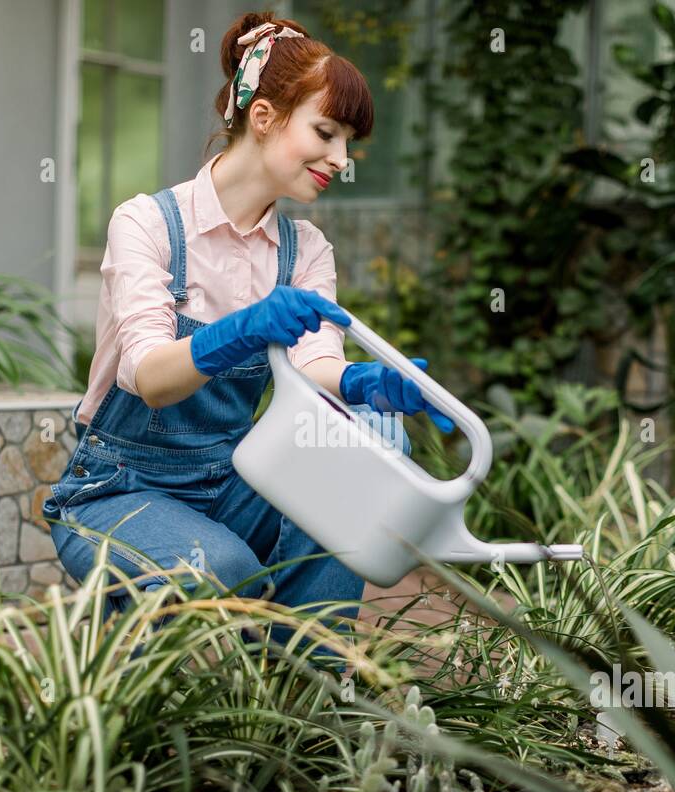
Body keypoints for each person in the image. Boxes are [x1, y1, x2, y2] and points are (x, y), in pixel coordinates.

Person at [43, 11, 453, 668]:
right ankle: (129, 680)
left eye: (349, 142)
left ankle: (302, 695)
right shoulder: (147, 225)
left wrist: (358, 384)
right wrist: (243, 330)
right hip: (116, 489)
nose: (340, 160)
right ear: (262, 117)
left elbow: (317, 360)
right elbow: (148, 376)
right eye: (326, 133)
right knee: (225, 569)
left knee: (347, 471)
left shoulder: (305, 250)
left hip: (231, 482)